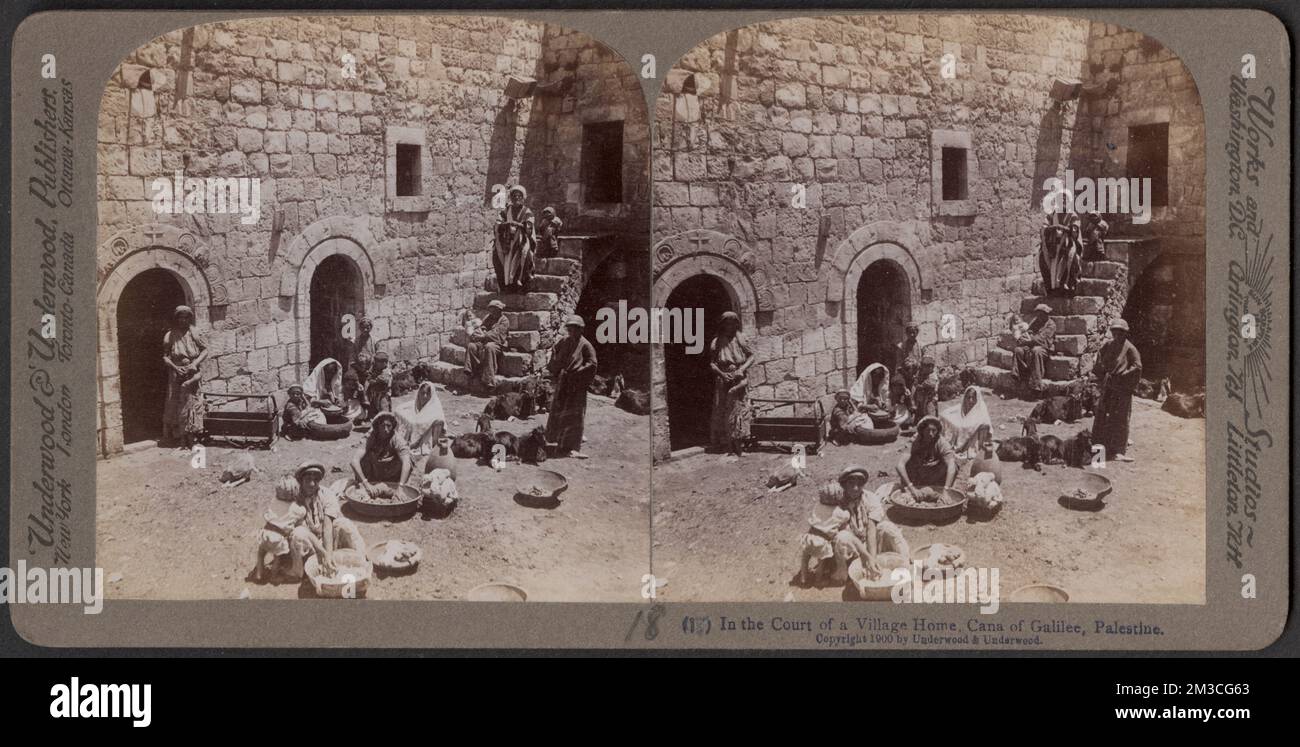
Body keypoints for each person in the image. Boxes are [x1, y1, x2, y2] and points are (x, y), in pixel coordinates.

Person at [252, 461, 366, 582]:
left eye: (316, 480)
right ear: (300, 481)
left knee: (344, 523)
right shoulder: (291, 497)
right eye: (307, 480)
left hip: (327, 542)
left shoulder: (327, 495)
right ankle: (297, 571)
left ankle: (361, 561)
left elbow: (327, 526)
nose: (312, 484)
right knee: (298, 532)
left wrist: (327, 554)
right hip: (305, 547)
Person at [546, 315, 598, 458]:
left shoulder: (586, 345)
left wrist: (579, 373)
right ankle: (556, 437)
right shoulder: (564, 341)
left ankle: (570, 447)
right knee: (559, 410)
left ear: (581, 330)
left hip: (577, 384)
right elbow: (554, 352)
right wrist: (555, 366)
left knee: (574, 414)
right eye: (570, 329)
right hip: (564, 380)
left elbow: (592, 363)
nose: (572, 332)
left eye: (575, 329)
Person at [1091, 318, 1142, 463]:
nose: (1117, 335)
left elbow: (1137, 367)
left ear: (1125, 333)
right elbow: (1099, 361)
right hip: (1108, 386)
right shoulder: (1108, 345)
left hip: (1122, 389)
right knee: (1101, 417)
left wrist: (1124, 376)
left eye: (1120, 332)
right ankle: (1098, 451)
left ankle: (1119, 451)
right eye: (1114, 332)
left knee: (1120, 419)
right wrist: (1102, 376)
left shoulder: (1130, 348)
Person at [708, 311, 755, 458]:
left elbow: (752, 356)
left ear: (736, 324)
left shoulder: (741, 339)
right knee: (724, 410)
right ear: (723, 325)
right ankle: (727, 445)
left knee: (740, 411)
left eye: (732, 323)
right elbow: (712, 363)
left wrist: (741, 369)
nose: (730, 326)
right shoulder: (717, 342)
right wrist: (722, 374)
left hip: (739, 378)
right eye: (727, 323)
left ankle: (740, 445)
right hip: (724, 379)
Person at [162, 305, 209, 448]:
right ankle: (179, 437)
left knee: (193, 403)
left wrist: (195, 363)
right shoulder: (170, 335)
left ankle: (194, 436)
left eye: (186, 317)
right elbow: (165, 356)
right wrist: (175, 367)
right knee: (177, 403)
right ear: (177, 319)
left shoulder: (195, 333)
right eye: (180, 318)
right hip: (176, 373)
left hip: (192, 372)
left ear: (189, 318)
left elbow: (205, 350)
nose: (183, 320)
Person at [350, 412, 412, 494]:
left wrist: (401, 486)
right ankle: (367, 484)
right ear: (377, 426)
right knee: (363, 458)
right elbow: (354, 461)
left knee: (409, 460)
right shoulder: (370, 437)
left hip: (391, 473)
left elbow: (406, 462)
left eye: (389, 426)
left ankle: (396, 485)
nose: (386, 429)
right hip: (374, 472)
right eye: (383, 426)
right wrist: (365, 483)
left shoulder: (397, 439)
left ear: (393, 426)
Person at [896, 415, 958, 493]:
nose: (931, 433)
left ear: (937, 431)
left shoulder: (941, 442)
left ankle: (941, 488)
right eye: (928, 430)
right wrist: (911, 487)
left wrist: (946, 490)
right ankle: (912, 488)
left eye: (934, 430)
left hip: (934, 473)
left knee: (953, 465)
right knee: (908, 464)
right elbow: (899, 465)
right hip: (919, 472)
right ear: (922, 430)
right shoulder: (915, 441)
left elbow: (951, 465)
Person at [494, 184, 536, 293]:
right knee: (499, 257)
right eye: (514, 196)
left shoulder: (527, 212)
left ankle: (522, 286)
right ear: (511, 198)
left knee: (525, 256)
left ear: (523, 197)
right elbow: (498, 223)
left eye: (519, 196)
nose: (517, 198)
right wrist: (507, 224)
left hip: (521, 240)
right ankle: (507, 286)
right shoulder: (506, 211)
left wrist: (520, 225)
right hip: (508, 241)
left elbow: (529, 225)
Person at [465, 300, 509, 394]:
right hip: (484, 340)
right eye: (491, 310)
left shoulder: (504, 320)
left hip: (497, 343)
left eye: (494, 310)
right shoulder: (488, 317)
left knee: (489, 347)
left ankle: (489, 381)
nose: (492, 312)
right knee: (471, 346)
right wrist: (482, 331)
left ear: (499, 310)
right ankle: (471, 370)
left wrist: (484, 336)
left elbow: (498, 335)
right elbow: (483, 326)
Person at [940, 385, 993, 459]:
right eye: (968, 397)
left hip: (973, 436)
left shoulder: (981, 407)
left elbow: (986, 422)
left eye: (973, 398)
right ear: (965, 398)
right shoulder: (962, 407)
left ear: (977, 398)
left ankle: (965, 447)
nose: (970, 400)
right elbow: (945, 413)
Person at [1014, 304, 1056, 396]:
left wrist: (1030, 339)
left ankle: (1036, 385)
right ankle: (1018, 375)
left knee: (1036, 351)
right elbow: (1030, 331)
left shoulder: (1051, 324)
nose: (1039, 316)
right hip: (1032, 345)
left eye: (1041, 314)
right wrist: (1025, 337)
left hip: (1045, 348)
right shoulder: (1036, 322)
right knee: (1018, 350)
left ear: (1046, 314)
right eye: (1038, 314)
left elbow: (1042, 338)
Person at [281, 385, 351, 440]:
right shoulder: (290, 405)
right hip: (292, 425)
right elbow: (297, 420)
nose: (295, 396)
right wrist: (308, 413)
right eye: (293, 394)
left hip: (298, 419)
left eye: (298, 394)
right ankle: (291, 434)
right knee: (312, 415)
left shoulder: (298, 401)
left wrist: (303, 397)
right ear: (289, 394)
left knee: (315, 412)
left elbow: (308, 406)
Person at [394, 381, 446, 455]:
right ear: (419, 393)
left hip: (425, 436)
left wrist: (414, 421)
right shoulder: (415, 403)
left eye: (428, 394)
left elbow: (436, 419)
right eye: (422, 393)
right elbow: (398, 409)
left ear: (432, 395)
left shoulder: (434, 406)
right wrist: (408, 418)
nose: (425, 396)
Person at [365, 352, 393, 419]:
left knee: (384, 409)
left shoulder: (386, 371)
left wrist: (375, 380)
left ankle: (386, 421)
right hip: (374, 393)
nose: (381, 364)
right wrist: (373, 380)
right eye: (379, 362)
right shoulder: (373, 368)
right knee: (373, 409)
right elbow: (369, 378)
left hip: (383, 394)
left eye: (383, 362)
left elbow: (384, 381)